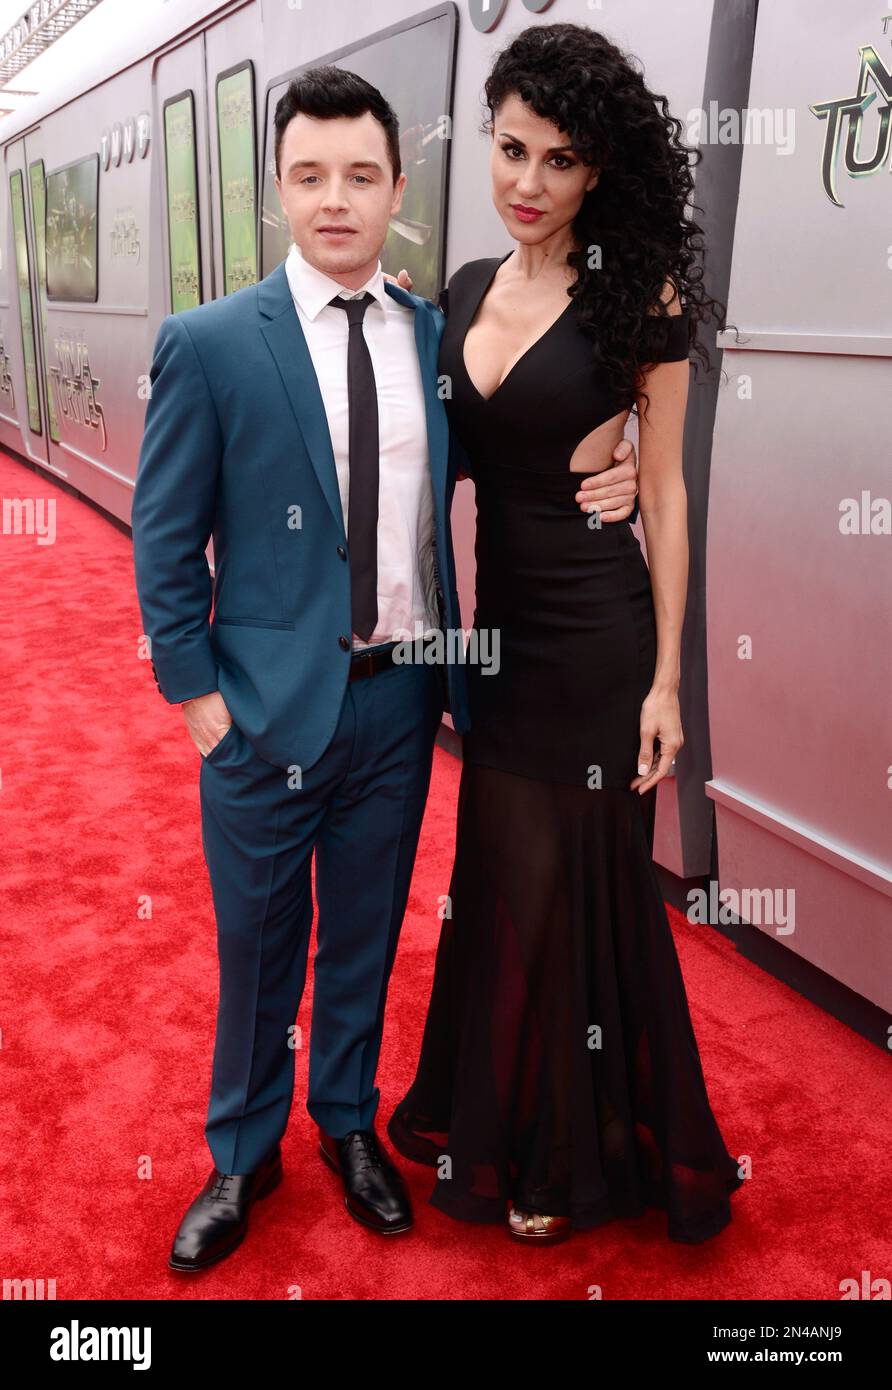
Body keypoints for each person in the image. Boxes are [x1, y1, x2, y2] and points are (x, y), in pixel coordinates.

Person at [131, 65, 634, 1272]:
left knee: (360, 937)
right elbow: (163, 536)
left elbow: (522, 445)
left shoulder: (432, 332)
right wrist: (200, 703)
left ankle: (348, 1129)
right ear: (277, 191)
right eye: (310, 176)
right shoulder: (208, 345)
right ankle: (242, 1154)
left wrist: (613, 472)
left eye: (362, 176)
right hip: (260, 717)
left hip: (403, 702)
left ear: (398, 190)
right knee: (258, 948)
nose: (336, 200)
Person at [387, 22, 744, 1245]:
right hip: (501, 645)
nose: (526, 182)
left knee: (573, 892)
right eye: (509, 149)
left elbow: (669, 494)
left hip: (598, 640)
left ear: (600, 171)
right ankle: (533, 1123)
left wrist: (668, 686)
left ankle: (565, 1156)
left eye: (558, 158)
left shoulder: (635, 297)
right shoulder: (466, 292)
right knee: (500, 887)